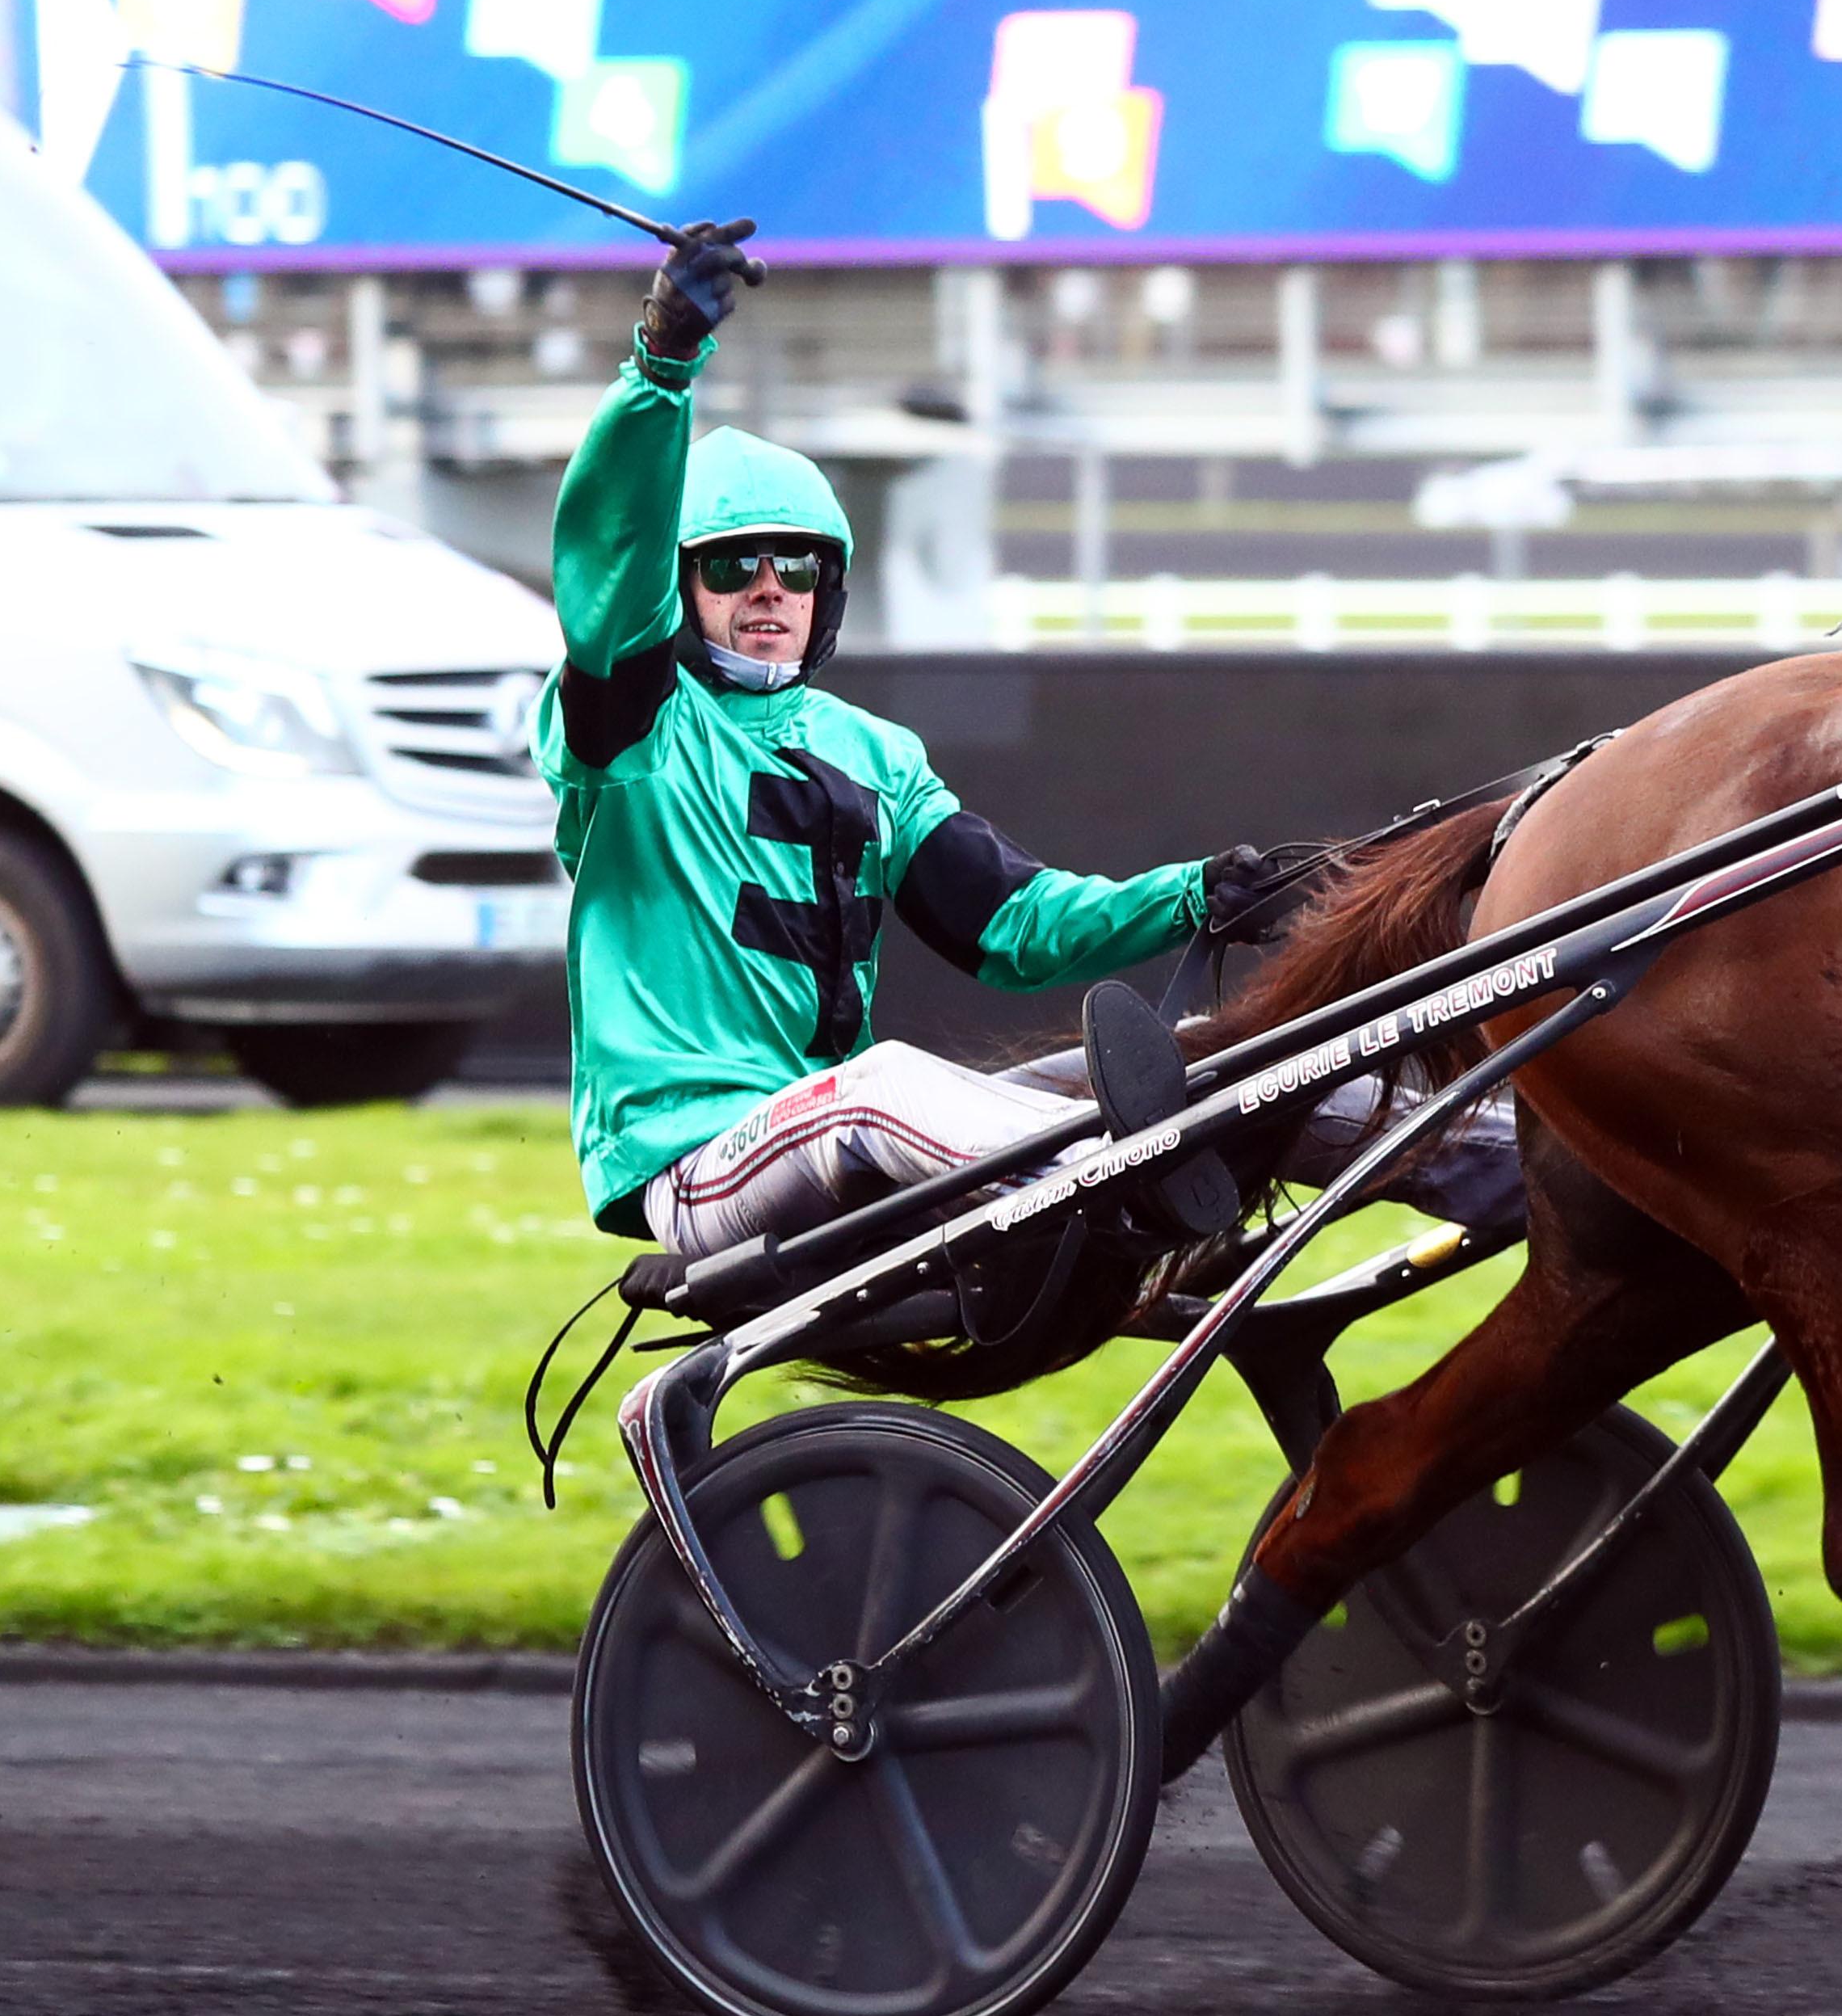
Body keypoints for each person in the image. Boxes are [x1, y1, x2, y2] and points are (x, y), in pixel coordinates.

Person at [533, 219, 1513, 1263]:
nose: (770, 588)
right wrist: (661, 364)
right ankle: (1139, 1196)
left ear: (831, 593)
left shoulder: (876, 755)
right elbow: (610, 567)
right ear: (682, 590)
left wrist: (1189, 894)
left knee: (1205, 1054)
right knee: (884, 1085)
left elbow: (1012, 924)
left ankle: (1521, 1163)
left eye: (798, 567)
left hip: (839, 1129)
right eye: (733, 568)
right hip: (696, 1164)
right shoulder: (629, 726)